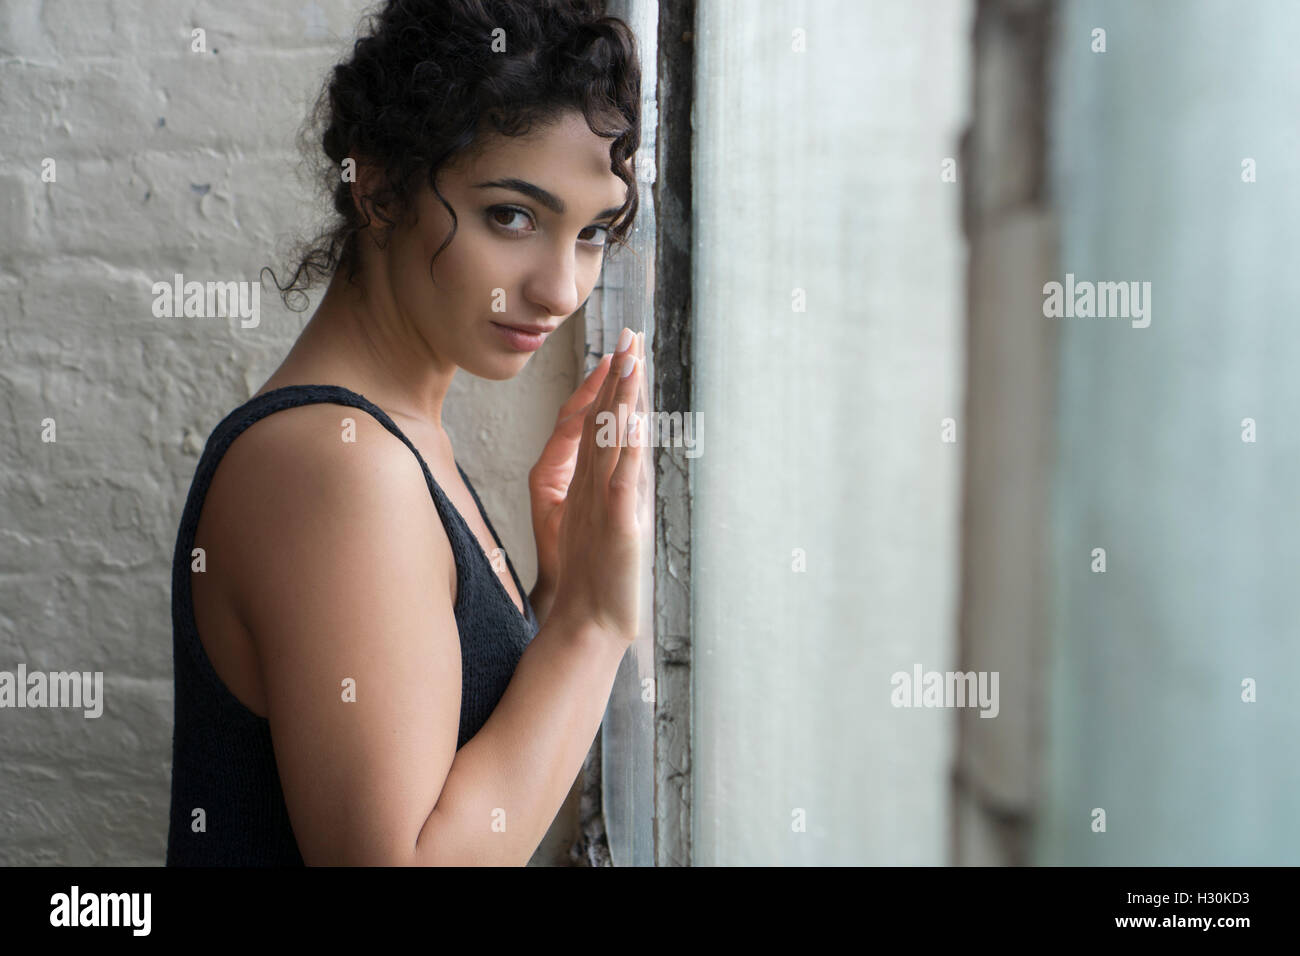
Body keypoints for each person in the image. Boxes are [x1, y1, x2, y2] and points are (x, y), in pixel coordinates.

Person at [165, 0, 646, 866]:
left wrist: (550, 599)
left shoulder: (391, 440)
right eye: (513, 215)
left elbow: (440, 767)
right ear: (380, 185)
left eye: (594, 233)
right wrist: (592, 623)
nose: (561, 288)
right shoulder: (337, 467)